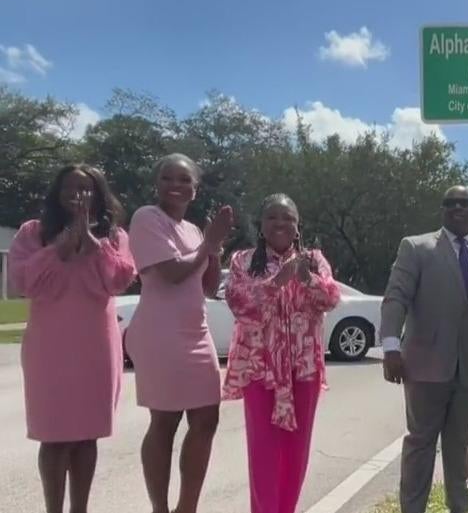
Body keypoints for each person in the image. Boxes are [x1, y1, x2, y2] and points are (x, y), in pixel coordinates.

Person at [379, 186, 468, 513]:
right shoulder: (416, 248)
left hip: (467, 371)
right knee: (421, 445)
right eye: (450, 203)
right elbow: (396, 298)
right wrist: (391, 347)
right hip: (424, 367)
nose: (458, 208)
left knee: (459, 446)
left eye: (465, 203)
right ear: (442, 210)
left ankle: (460, 508)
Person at [9, 164, 136, 513]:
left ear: (99, 194)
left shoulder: (115, 236)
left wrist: (92, 241)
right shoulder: (32, 233)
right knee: (53, 438)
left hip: (96, 346)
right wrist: (62, 244)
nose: (78, 195)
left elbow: (121, 279)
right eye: (70, 188)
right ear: (57, 192)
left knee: (85, 436)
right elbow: (23, 282)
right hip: (49, 349)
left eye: (87, 188)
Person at [125, 153, 234, 513]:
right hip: (160, 334)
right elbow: (172, 273)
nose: (177, 185)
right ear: (156, 184)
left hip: (195, 332)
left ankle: (186, 508)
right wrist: (208, 244)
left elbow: (206, 285)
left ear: (195, 188)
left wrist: (213, 247)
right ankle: (160, 508)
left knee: (207, 419)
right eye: (168, 178)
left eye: (185, 179)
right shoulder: (146, 218)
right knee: (166, 421)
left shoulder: (193, 230)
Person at [222, 193, 340, 513]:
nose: (281, 223)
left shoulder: (313, 259)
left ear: (297, 225)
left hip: (303, 368)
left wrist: (306, 277)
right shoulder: (243, 260)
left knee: (296, 451)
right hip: (259, 368)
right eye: (273, 216)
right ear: (261, 225)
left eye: (288, 217)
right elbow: (238, 302)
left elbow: (330, 298)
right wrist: (276, 282)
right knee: (263, 451)